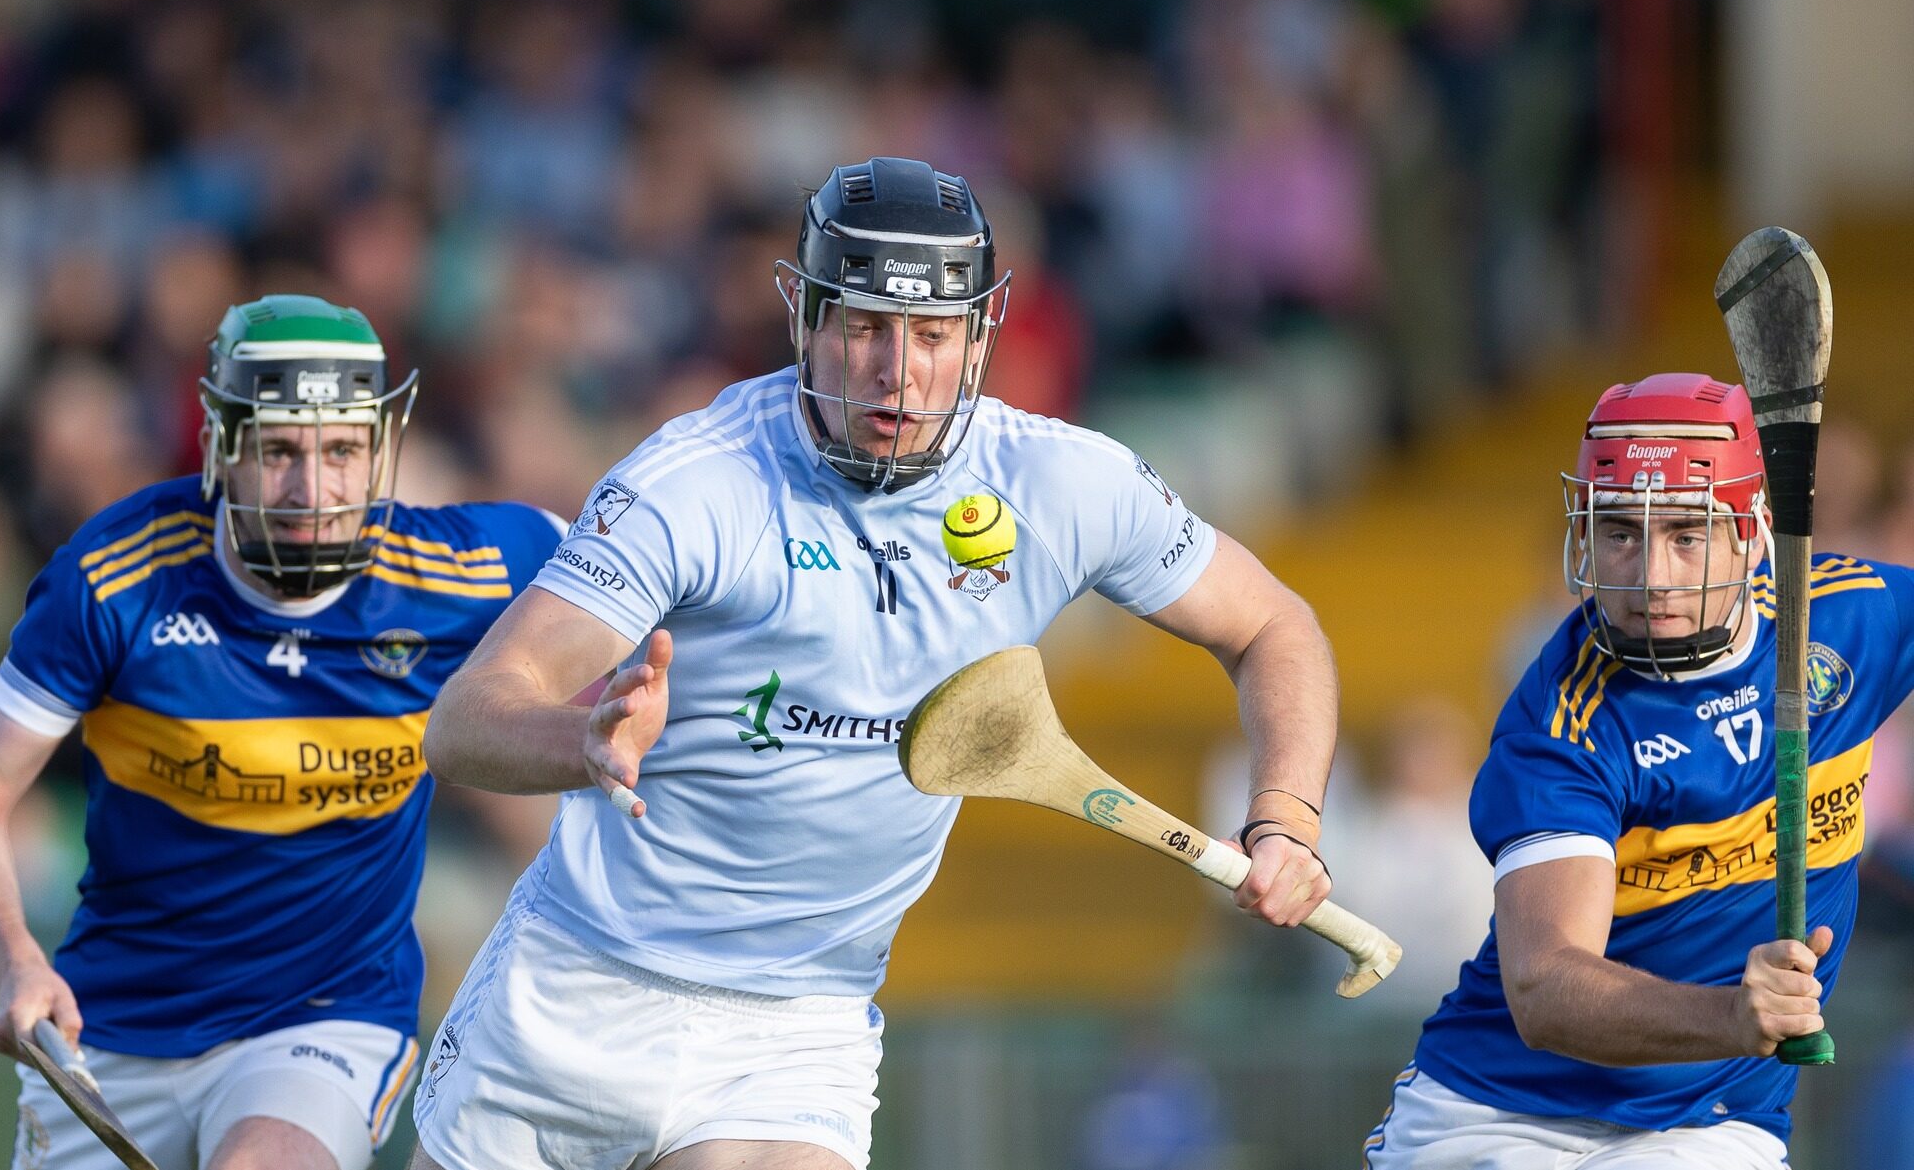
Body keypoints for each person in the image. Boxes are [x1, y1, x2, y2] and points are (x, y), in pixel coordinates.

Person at [407, 156, 1342, 1170]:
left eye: (933, 334)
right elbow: (465, 720)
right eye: (862, 325)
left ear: (982, 333)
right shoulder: (697, 483)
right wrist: (578, 739)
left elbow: (1271, 628)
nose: (897, 369)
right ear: (804, 317)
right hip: (577, 988)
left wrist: (1284, 817)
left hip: (797, 1023)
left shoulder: (1062, 484)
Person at [0, 295, 568, 1170]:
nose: (314, 488)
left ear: (382, 446)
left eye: (342, 450)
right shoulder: (116, 578)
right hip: (112, 1026)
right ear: (221, 447)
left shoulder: (470, 568)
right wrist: (14, 959)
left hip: (325, 1018)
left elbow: (653, 574)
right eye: (280, 451)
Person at [1365, 373, 1914, 1168]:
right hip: (1500, 1112)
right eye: (1621, 531)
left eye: (1686, 535)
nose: (1650, 575)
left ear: (1751, 532)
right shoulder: (1562, 721)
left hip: (1709, 1121)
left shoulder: (1848, 617)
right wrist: (1734, 1015)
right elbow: (1546, 987)